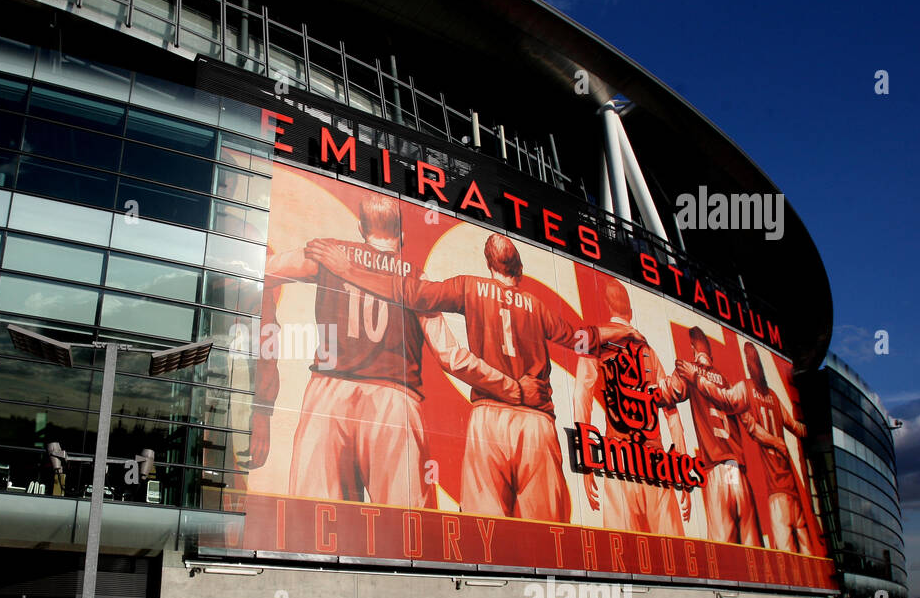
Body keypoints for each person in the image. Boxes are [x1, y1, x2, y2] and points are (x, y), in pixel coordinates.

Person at [306, 232, 639, 520]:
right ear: (520, 269)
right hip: (536, 421)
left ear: (489, 264)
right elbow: (581, 337)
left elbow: (412, 294)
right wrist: (623, 330)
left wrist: (349, 271)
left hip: (488, 417)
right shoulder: (538, 307)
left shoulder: (469, 286)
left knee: (486, 535)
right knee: (545, 538)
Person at [266, 196, 539, 507]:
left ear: (361, 228)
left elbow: (265, 269)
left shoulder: (327, 254)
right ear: (402, 236)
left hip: (327, 397)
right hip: (393, 401)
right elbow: (451, 357)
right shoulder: (415, 278)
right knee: (409, 532)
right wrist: (513, 388)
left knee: (314, 523)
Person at [572, 278, 691, 534]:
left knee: (623, 560)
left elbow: (582, 397)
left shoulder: (594, 342)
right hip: (656, 462)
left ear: (606, 305)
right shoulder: (647, 349)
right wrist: (680, 467)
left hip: (619, 459)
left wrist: (586, 461)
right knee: (673, 557)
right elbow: (672, 413)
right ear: (631, 310)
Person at [682, 341, 813, 553]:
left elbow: (727, 402)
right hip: (782, 489)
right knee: (805, 567)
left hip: (773, 492)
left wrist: (697, 378)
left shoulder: (746, 389)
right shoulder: (773, 397)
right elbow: (796, 428)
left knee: (784, 563)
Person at [655, 327, 762, 546]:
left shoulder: (690, 370)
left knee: (724, 554)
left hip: (716, 470)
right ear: (711, 355)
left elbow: (666, 394)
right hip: (739, 473)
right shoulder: (725, 381)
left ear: (693, 348)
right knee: (755, 554)